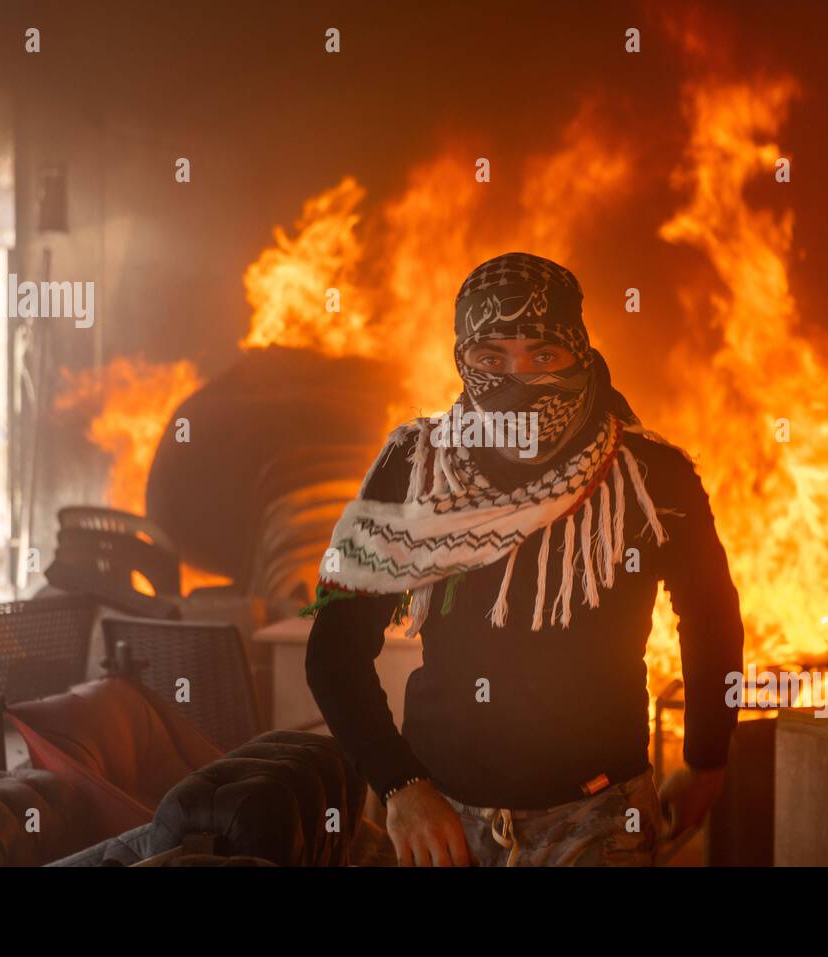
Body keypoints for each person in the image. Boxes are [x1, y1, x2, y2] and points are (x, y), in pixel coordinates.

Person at [304, 251, 744, 866]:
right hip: (438, 822)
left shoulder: (649, 477)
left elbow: (711, 620)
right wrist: (400, 786)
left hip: (599, 819)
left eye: (543, 355)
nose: (519, 379)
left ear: (580, 353)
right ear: (463, 362)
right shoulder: (417, 468)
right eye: (491, 359)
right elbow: (334, 647)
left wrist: (706, 761)